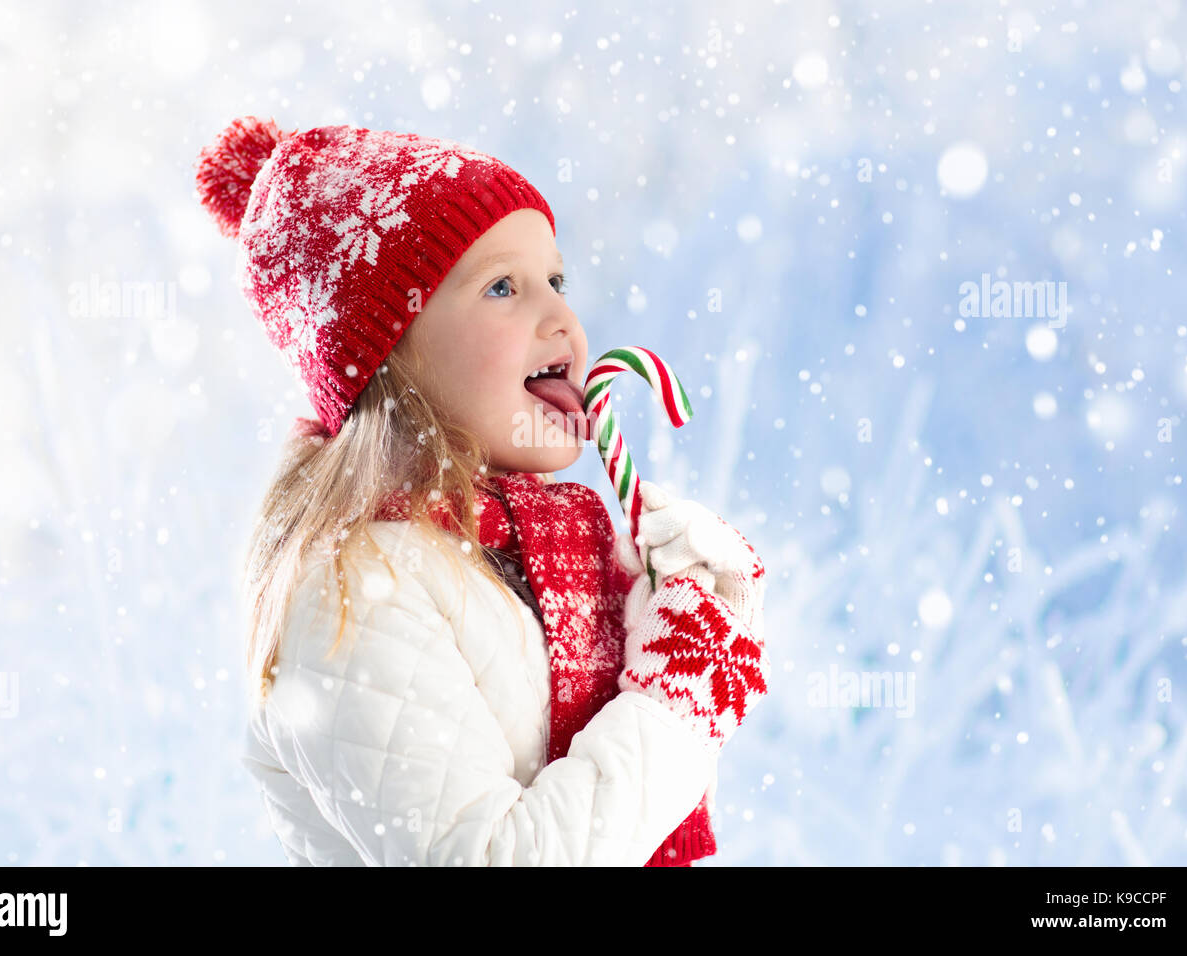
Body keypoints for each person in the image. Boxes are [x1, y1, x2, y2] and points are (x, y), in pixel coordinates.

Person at [194, 116, 770, 866]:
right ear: (387, 353)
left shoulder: (531, 559)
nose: (561, 316)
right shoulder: (354, 586)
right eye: (503, 286)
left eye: (557, 281)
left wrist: (703, 609)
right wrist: (678, 700)